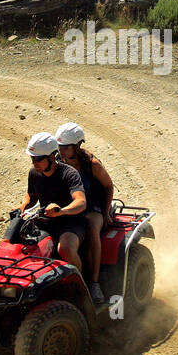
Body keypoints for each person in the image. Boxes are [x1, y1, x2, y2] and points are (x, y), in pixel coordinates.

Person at [15, 132, 104, 306]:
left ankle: (82, 289)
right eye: (32, 159)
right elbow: (31, 195)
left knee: (66, 248)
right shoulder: (34, 173)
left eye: (38, 159)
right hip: (47, 221)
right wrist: (23, 205)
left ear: (51, 156)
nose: (35, 163)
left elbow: (81, 202)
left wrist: (61, 211)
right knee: (26, 247)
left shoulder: (68, 173)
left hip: (72, 221)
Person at [55, 123, 114, 306]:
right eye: (60, 147)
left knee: (91, 226)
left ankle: (94, 283)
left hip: (93, 207)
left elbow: (108, 186)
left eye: (66, 147)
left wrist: (105, 212)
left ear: (77, 146)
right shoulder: (57, 161)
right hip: (72, 204)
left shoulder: (92, 164)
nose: (62, 151)